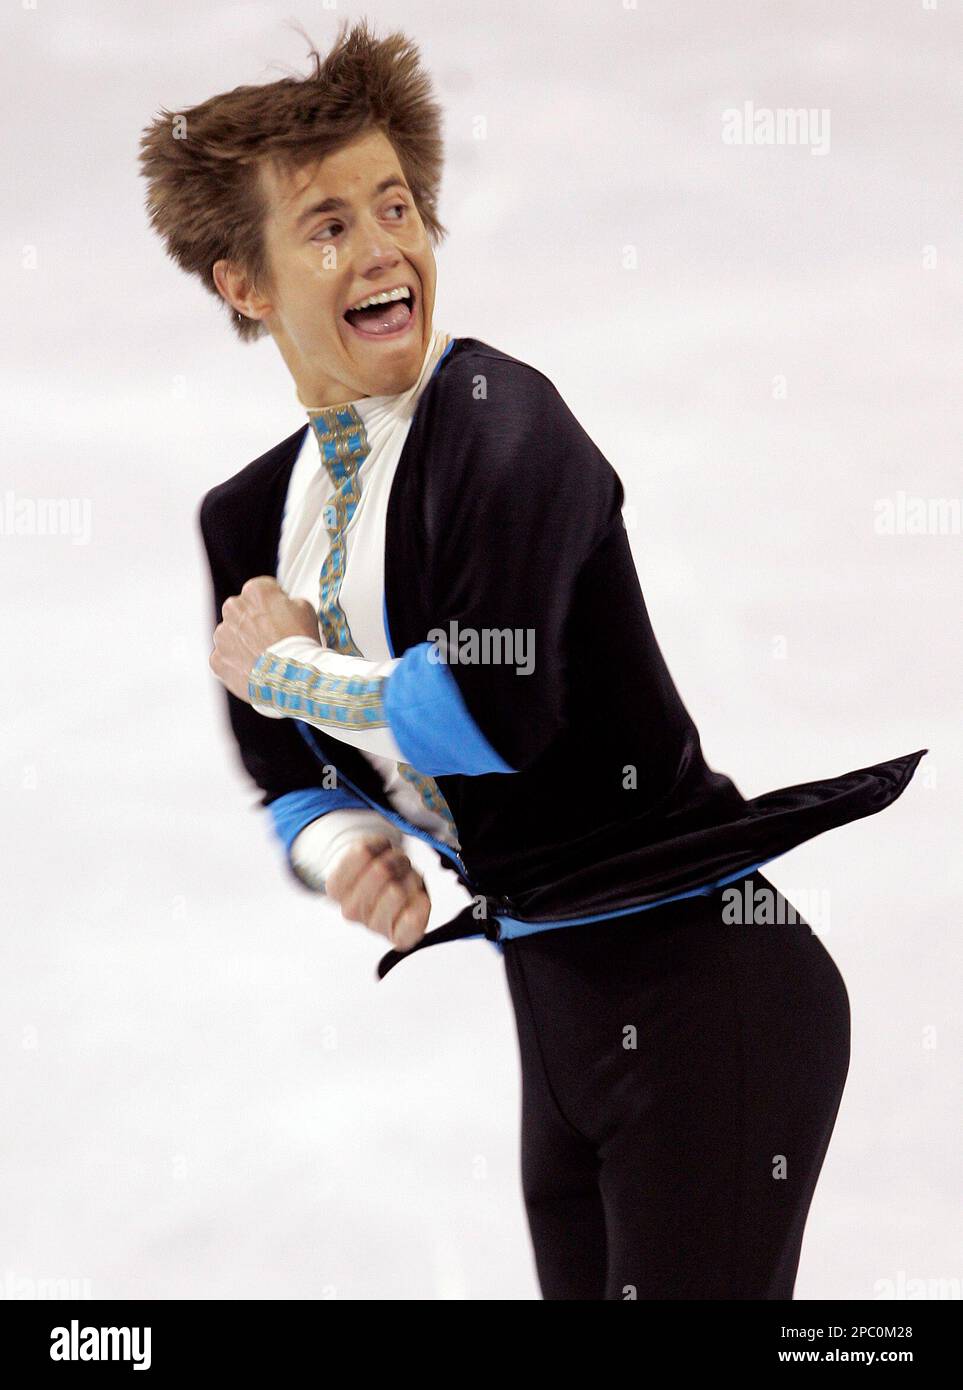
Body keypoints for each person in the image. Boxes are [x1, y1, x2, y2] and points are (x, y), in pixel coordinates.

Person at [139, 18, 926, 1300]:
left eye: (397, 204)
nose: (386, 244)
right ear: (245, 282)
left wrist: (293, 671)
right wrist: (350, 850)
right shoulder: (246, 518)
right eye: (329, 224)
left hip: (709, 998)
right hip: (555, 1019)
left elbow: (495, 705)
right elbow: (281, 771)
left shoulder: (509, 426)